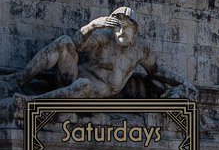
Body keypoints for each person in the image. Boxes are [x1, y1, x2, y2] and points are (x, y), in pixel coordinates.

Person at [16, 7, 192, 100]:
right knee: (64, 42)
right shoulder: (104, 38)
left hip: (93, 91)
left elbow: (157, 71)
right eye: (117, 27)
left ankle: (33, 102)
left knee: (82, 86)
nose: (121, 32)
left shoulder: (140, 51)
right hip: (72, 80)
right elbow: (77, 44)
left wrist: (184, 82)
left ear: (135, 32)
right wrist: (92, 26)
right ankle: (20, 82)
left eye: (126, 28)